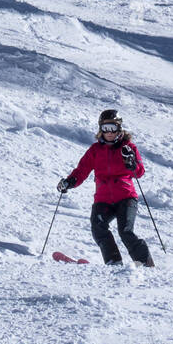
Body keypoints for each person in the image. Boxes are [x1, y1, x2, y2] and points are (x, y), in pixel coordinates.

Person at [57, 110, 154, 267]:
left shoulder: (128, 148)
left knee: (125, 231)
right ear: (100, 129)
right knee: (98, 227)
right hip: (103, 199)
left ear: (119, 128)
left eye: (113, 128)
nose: (109, 133)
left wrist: (132, 165)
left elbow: (140, 172)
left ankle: (145, 263)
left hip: (126, 197)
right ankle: (113, 262)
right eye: (105, 128)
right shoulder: (95, 150)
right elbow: (82, 170)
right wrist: (69, 182)